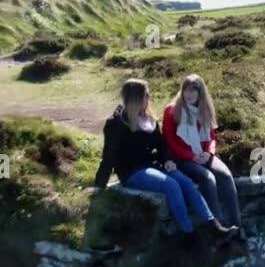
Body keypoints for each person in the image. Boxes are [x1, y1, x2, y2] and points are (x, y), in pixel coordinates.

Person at [93, 78, 238, 248]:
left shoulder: (148, 119)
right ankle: (188, 234)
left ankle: (214, 228)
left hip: (153, 166)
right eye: (146, 95)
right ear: (135, 98)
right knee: (171, 185)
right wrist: (98, 186)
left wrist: (168, 160)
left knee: (186, 182)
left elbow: (161, 146)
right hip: (132, 172)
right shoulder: (117, 123)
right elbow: (108, 157)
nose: (149, 98)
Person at [162, 74, 244, 241]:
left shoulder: (204, 109)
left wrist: (209, 152)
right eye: (186, 89)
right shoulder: (171, 110)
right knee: (208, 178)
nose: (189, 94)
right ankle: (220, 229)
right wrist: (191, 156)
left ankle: (238, 226)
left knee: (227, 176)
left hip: (203, 154)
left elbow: (211, 136)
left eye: (193, 90)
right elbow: (169, 140)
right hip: (182, 158)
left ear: (201, 93)